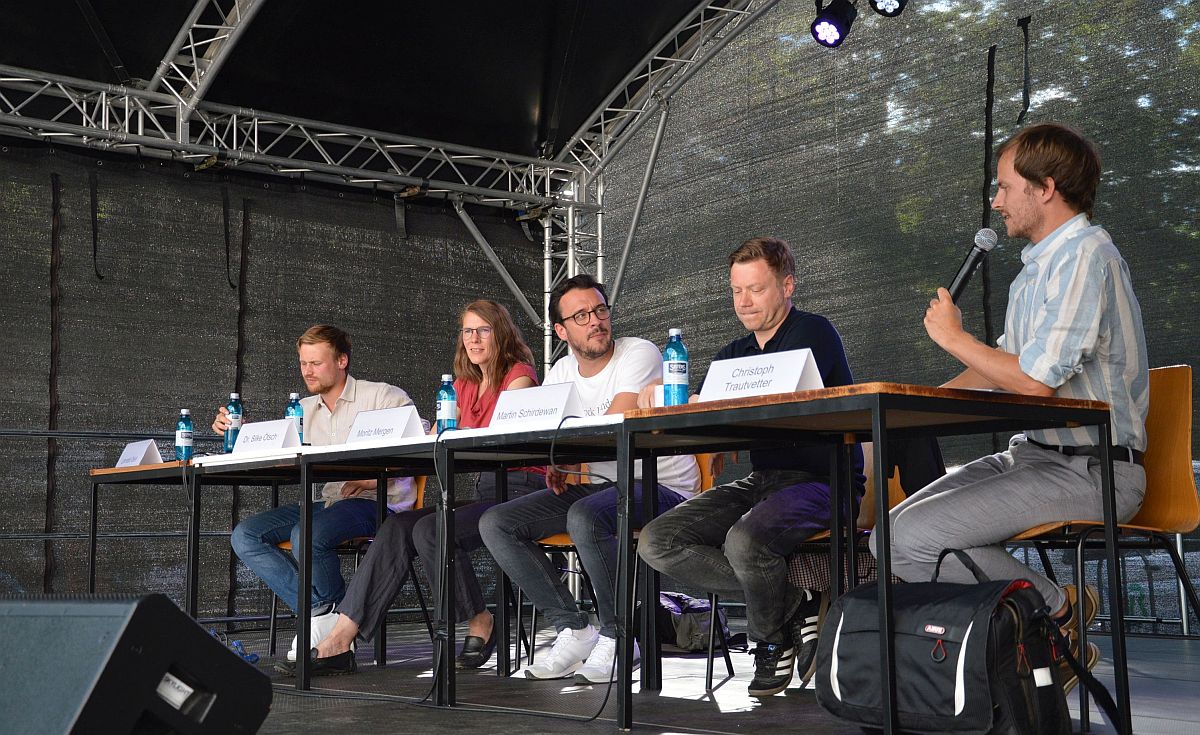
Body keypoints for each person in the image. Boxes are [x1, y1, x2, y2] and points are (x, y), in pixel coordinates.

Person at [872, 122, 1148, 693]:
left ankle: (1051, 624)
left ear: (1045, 188)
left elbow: (1036, 383)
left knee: (913, 540)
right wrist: (918, 406)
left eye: (1003, 187)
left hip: (1094, 469)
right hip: (1032, 457)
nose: (995, 202)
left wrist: (954, 337)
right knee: (886, 538)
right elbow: (999, 368)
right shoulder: (1034, 272)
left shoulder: (1086, 255)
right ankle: (1054, 615)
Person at [636, 237, 863, 697]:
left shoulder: (813, 332)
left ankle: (768, 640)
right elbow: (704, 408)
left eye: (756, 289)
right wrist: (664, 395)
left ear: (787, 286)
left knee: (744, 540)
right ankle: (793, 603)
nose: (744, 301)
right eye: (737, 291)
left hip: (823, 481)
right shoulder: (732, 353)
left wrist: (714, 406)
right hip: (763, 482)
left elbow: (772, 397)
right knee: (657, 540)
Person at [279, 301, 546, 676]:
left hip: (522, 490)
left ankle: (480, 619)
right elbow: (439, 438)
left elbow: (502, 439)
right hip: (487, 489)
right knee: (397, 527)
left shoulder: (519, 376)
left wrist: (451, 435)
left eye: (483, 330)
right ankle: (340, 639)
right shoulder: (463, 385)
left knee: (430, 530)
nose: (473, 339)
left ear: (500, 333)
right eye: (467, 331)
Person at [478, 274, 701, 684]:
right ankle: (574, 628)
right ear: (561, 331)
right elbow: (548, 434)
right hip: (600, 487)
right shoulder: (561, 370)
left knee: (584, 515)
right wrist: (558, 462)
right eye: (581, 316)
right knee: (497, 523)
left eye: (599, 310)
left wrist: (563, 452)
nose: (595, 321)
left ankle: (620, 636)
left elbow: (612, 424)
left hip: (660, 486)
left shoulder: (639, 352)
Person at [220, 325, 417, 664]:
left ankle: (328, 624)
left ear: (342, 361)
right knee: (245, 535)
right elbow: (280, 451)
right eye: (303, 363)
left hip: (378, 503)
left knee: (307, 533)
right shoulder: (301, 409)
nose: (307, 371)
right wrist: (239, 431)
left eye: (316, 363)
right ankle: (325, 613)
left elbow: (420, 445)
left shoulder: (383, 396)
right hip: (331, 503)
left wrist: (370, 480)